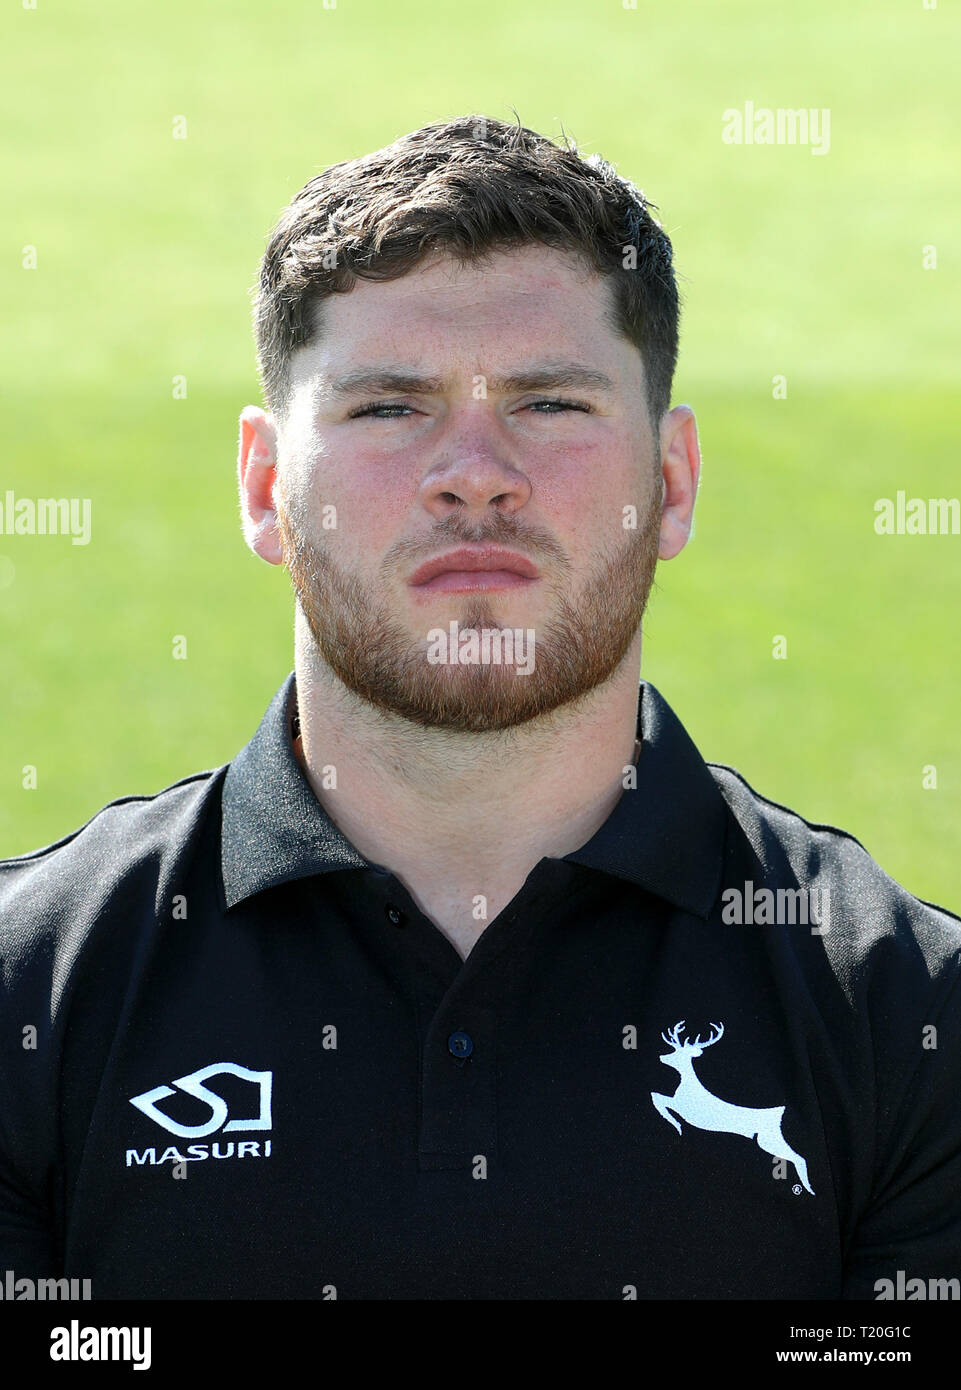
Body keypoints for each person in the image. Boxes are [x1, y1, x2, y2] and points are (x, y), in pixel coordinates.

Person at [1, 114, 958, 1301]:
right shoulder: (27, 987)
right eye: (388, 407)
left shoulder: (907, 1010)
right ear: (264, 489)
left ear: (669, 484)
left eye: (549, 403)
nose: (474, 470)